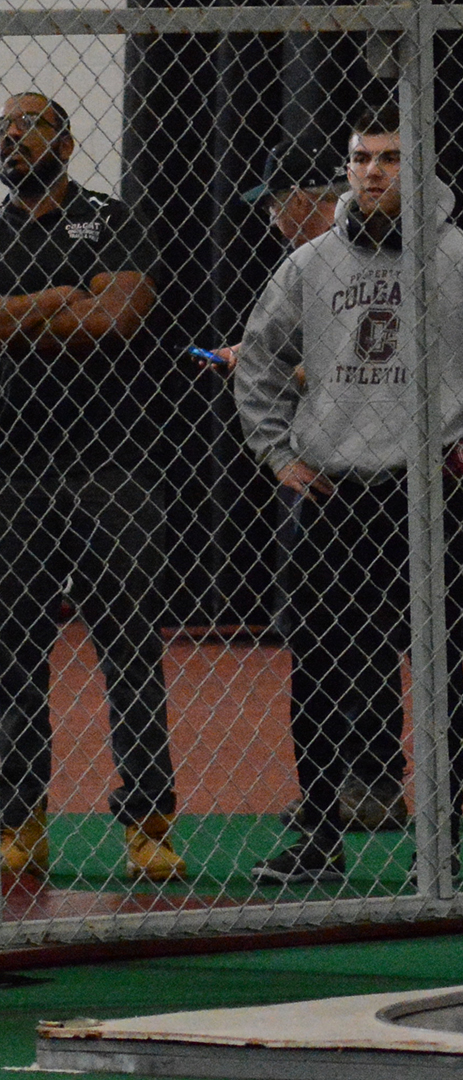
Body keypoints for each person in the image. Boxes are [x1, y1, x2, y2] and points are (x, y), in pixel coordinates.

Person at [235, 105, 463, 884]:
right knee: (314, 667)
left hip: (434, 500)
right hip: (333, 496)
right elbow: (258, 358)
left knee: (438, 666)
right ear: (346, 169)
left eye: (389, 158)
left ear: (419, 172)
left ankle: (439, 845)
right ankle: (318, 836)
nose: (373, 171)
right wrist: (276, 450)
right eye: (360, 158)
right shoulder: (311, 264)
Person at [0, 92, 187, 883]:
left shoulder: (112, 219)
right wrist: (52, 300)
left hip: (114, 470)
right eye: (4, 129)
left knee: (128, 647)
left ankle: (147, 822)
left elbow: (116, 318)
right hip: (15, 472)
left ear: (67, 143)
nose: (12, 138)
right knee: (13, 655)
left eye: (29, 125)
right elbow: (78, 311)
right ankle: (20, 824)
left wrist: (22, 317)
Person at [214, 145, 411, 837]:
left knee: (357, 633)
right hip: (319, 471)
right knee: (327, 638)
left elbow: (369, 366)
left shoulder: (363, 261)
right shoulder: (310, 266)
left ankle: (370, 783)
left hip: (363, 478)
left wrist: (266, 368)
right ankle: (342, 791)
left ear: (305, 197)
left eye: (276, 202)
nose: (270, 218)